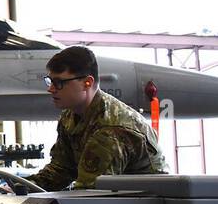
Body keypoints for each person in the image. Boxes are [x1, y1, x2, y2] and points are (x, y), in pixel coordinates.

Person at [28, 45, 166, 190]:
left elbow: (90, 192)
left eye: (59, 83)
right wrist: (23, 187)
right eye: (50, 81)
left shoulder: (111, 128)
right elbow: (61, 169)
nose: (50, 89)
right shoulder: (70, 116)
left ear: (87, 82)